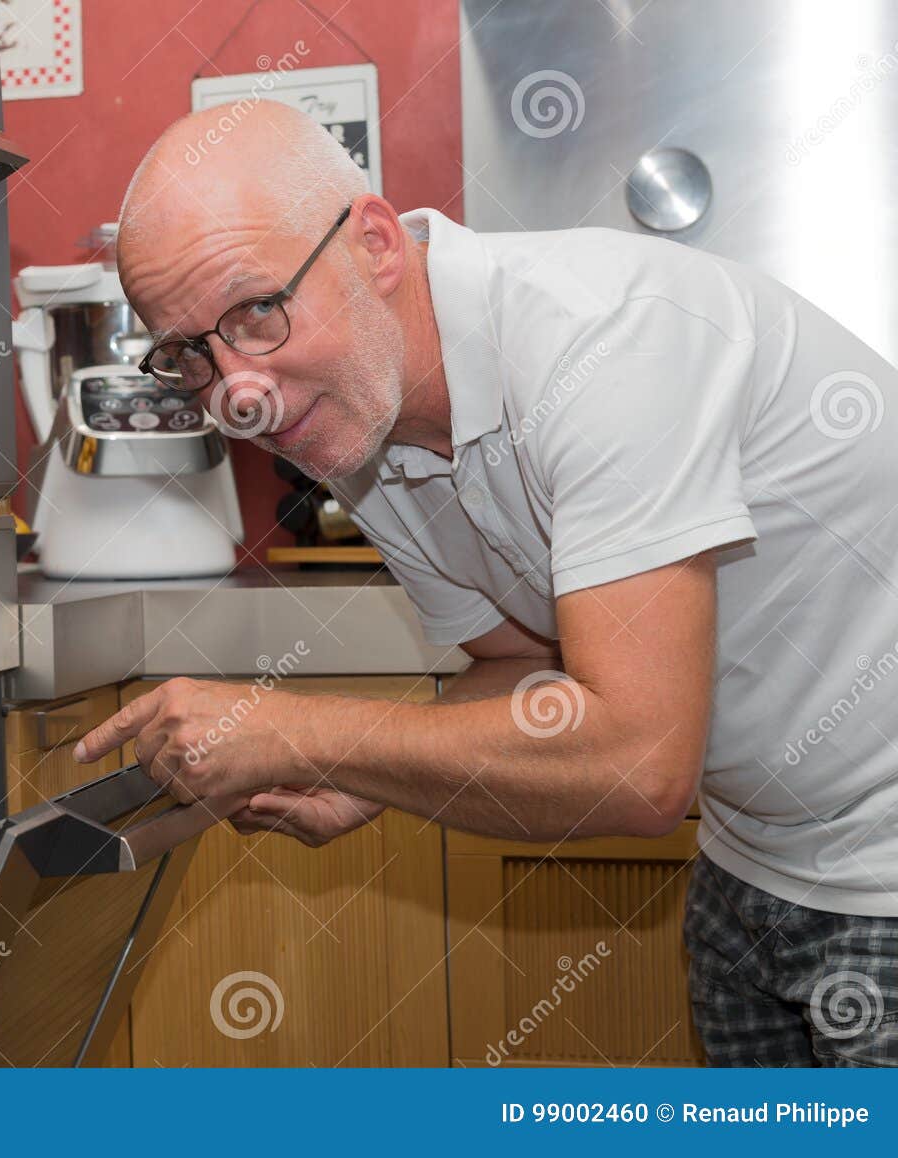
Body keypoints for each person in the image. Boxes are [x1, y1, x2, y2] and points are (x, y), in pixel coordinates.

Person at [72, 101, 898, 1066]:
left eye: (258, 310)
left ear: (376, 244)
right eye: (186, 354)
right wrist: (361, 779)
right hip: (753, 861)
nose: (237, 394)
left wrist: (304, 733)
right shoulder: (357, 419)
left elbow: (637, 766)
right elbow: (529, 666)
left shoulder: (603, 338)